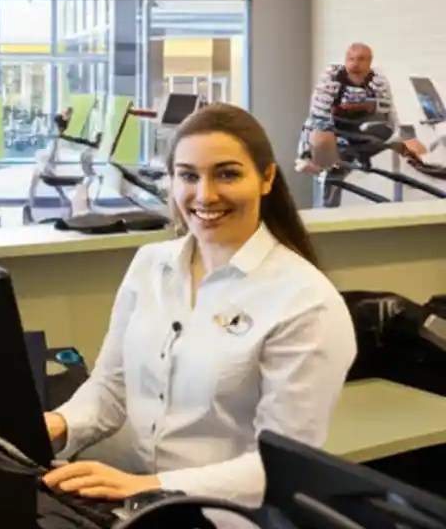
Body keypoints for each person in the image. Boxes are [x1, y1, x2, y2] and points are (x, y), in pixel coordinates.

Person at [41, 104, 357, 508]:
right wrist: (57, 424)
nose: (205, 195)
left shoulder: (307, 303)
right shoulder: (150, 265)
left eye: (227, 174)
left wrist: (148, 486)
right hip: (132, 502)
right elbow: (111, 388)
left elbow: (281, 468)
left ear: (266, 178)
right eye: (188, 176)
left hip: (221, 515)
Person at [297, 42, 426, 174]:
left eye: (361, 59)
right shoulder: (332, 77)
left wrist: (403, 137)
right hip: (332, 130)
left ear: (370, 62)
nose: (355, 63)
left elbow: (389, 112)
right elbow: (319, 113)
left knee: (403, 140)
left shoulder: (378, 81)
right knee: (321, 140)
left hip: (363, 131)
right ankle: (318, 163)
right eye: (351, 59)